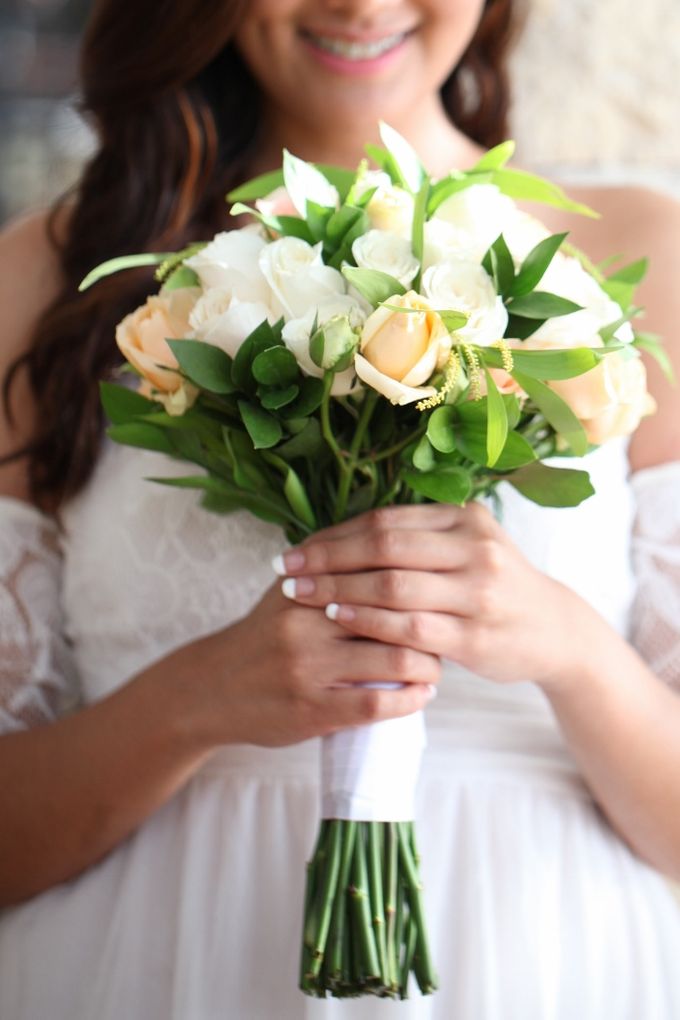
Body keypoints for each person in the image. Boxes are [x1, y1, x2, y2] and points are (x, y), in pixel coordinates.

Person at [1, 0, 679, 1016]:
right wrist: (191, 702)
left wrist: (568, 648)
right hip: (152, 966)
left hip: (543, 963)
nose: (360, 4)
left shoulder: (640, 252)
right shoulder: (45, 277)